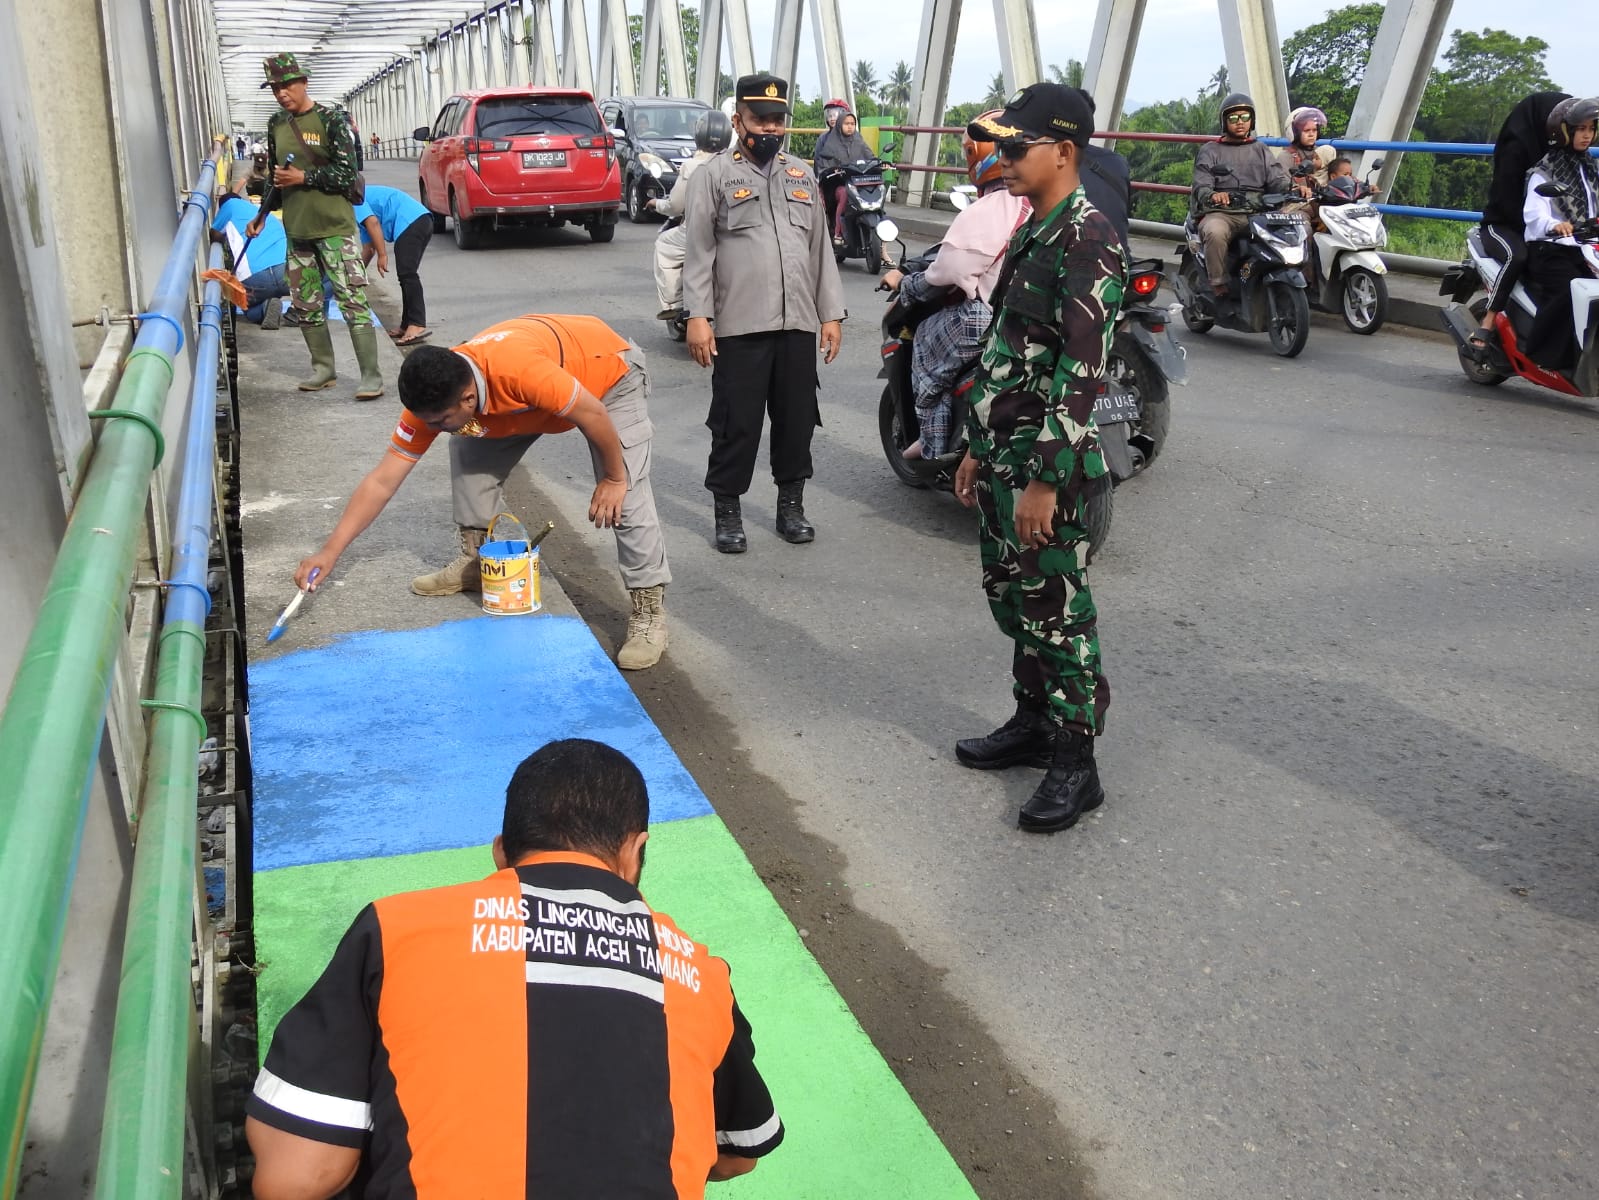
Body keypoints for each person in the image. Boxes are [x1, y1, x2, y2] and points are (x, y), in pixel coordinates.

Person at [245, 738, 784, 1199]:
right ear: (633, 852)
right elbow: (737, 1155)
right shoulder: (699, 972)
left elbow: (296, 1180)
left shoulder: (396, 928)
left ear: (502, 852)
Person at [294, 316, 671, 669]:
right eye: (428, 421)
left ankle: (648, 609)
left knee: (627, 495)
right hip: (529, 392)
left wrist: (613, 479)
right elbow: (382, 480)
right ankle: (475, 561)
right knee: (466, 445)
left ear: (468, 399)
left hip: (606, 374)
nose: (433, 428)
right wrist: (330, 551)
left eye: (440, 420)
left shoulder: (521, 373)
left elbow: (593, 415)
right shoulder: (435, 401)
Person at [953, 84, 1126, 835]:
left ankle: (1076, 762)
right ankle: (1032, 724)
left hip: (1043, 471)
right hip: (1004, 454)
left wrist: (1043, 481)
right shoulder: (1036, 225)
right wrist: (973, 449)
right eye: (999, 145)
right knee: (1015, 600)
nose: (1002, 158)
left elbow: (1080, 375)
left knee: (1059, 616)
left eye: (1016, 147)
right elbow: (1007, 352)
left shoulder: (1088, 239)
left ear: (1064, 152)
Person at [681, 73, 845, 554]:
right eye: (761, 119)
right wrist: (697, 316)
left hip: (796, 324)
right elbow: (699, 252)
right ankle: (727, 511)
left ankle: (790, 505)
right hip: (739, 325)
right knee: (736, 422)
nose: (771, 129)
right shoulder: (714, 176)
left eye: (778, 120)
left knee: (797, 420)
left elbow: (819, 251)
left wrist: (830, 313)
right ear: (738, 121)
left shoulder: (800, 174)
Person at [880, 111, 1030, 460]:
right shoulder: (1041, 205)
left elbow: (943, 273)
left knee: (924, 349)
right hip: (1030, 319)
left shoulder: (987, 209)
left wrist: (909, 283)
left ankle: (932, 445)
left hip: (986, 317)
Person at [249, 53, 384, 401]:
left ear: (303, 82)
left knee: (351, 300)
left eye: (286, 85)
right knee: (306, 303)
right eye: (275, 87)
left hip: (335, 228)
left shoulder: (331, 119)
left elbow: (346, 174)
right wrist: (262, 214)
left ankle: (371, 375)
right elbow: (277, 178)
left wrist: (303, 176)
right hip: (298, 231)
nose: (281, 93)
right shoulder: (277, 123)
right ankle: (323, 369)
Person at [1470, 90, 1573, 354]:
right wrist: (1539, 226)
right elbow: (1507, 202)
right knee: (1518, 257)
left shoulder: (1558, 152)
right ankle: (1489, 318)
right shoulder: (1515, 149)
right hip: (1503, 225)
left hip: (1542, 229)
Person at [1521, 97, 1599, 370]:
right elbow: (1533, 213)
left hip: (1584, 247)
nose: (1587, 135)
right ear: (1563, 132)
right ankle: (1544, 356)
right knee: (1569, 291)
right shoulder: (1546, 170)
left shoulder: (1590, 168)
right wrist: (1554, 224)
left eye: (1591, 128)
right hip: (1550, 248)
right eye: (1581, 129)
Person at [1191, 92, 1292, 299]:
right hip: (1223, 212)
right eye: (1233, 118)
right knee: (1215, 231)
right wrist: (1213, 195)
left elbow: (1276, 179)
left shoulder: (1260, 149)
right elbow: (1202, 183)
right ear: (1224, 121)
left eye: (1245, 117)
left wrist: (1292, 187)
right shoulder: (1211, 150)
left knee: (1291, 230)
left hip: (1257, 212)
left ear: (1251, 120)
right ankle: (1218, 284)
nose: (1240, 123)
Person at [650, 109, 733, 321]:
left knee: (664, 245)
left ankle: (674, 302)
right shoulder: (735, 164)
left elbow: (675, 206)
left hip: (698, 230)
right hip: (731, 230)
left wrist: (656, 204)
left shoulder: (693, 165)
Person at [210, 160, 291, 327]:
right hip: (285, 273)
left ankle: (263, 308)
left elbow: (214, 234)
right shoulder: (259, 214)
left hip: (256, 278)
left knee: (244, 304)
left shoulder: (229, 206)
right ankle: (299, 308)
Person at [352, 184, 434, 345]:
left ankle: (417, 324)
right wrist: (354, 277)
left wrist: (383, 255)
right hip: (420, 221)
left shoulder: (353, 198)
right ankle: (406, 325)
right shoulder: (358, 213)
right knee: (405, 276)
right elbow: (368, 249)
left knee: (408, 274)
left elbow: (374, 223)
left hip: (412, 221)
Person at [813, 110, 873, 243]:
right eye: (846, 123)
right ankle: (838, 232)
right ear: (840, 125)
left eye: (852, 123)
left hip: (858, 183)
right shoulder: (830, 144)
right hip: (836, 185)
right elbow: (823, 165)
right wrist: (834, 170)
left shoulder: (859, 142)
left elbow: (871, 157)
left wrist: (880, 164)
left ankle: (881, 248)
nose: (850, 126)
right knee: (845, 193)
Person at [1278, 107, 1335, 205]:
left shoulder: (1323, 153)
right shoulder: (1286, 156)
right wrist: (1297, 188)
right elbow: (1281, 183)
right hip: (1300, 206)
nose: (1311, 134)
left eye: (1314, 130)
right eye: (1306, 130)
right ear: (1294, 133)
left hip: (1326, 203)